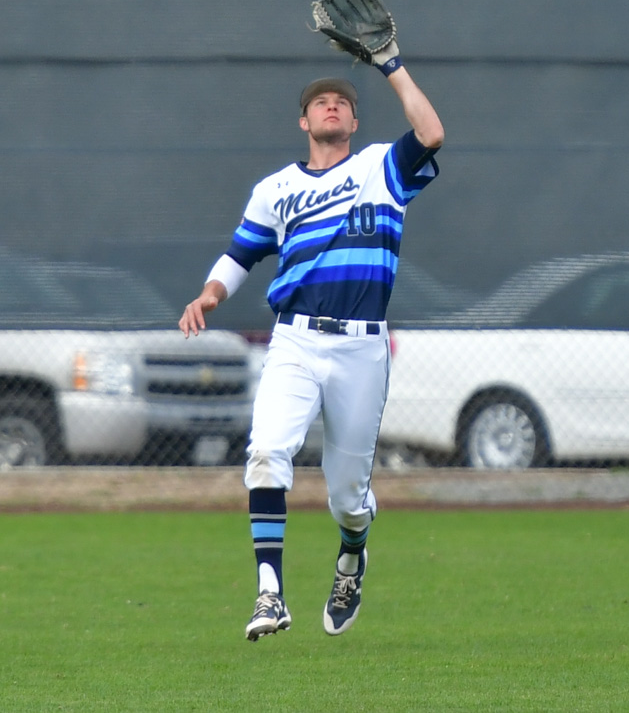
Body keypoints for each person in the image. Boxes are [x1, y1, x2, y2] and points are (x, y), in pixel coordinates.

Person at [179, 45, 443, 642]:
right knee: (266, 454)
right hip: (295, 339)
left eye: (342, 102)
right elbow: (241, 253)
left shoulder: (381, 168)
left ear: (354, 121)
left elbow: (431, 133)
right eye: (320, 102)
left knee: (348, 499)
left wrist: (390, 63)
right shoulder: (276, 189)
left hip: (362, 349)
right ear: (304, 121)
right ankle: (269, 593)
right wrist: (211, 293)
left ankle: (352, 556)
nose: (331, 106)